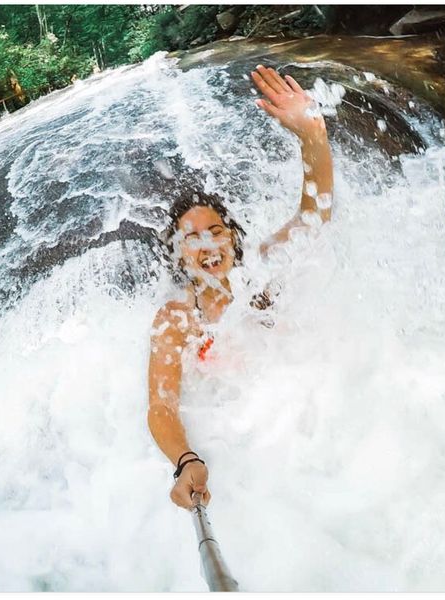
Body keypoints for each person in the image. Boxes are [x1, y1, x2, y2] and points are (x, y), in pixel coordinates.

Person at [147, 65, 334, 511]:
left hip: (308, 420)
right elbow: (161, 406)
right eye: (192, 238)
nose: (208, 244)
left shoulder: (261, 270)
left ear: (232, 238)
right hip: (242, 447)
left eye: (216, 231)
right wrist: (186, 459)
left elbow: (315, 213)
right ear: (179, 254)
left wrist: (311, 134)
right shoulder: (177, 320)